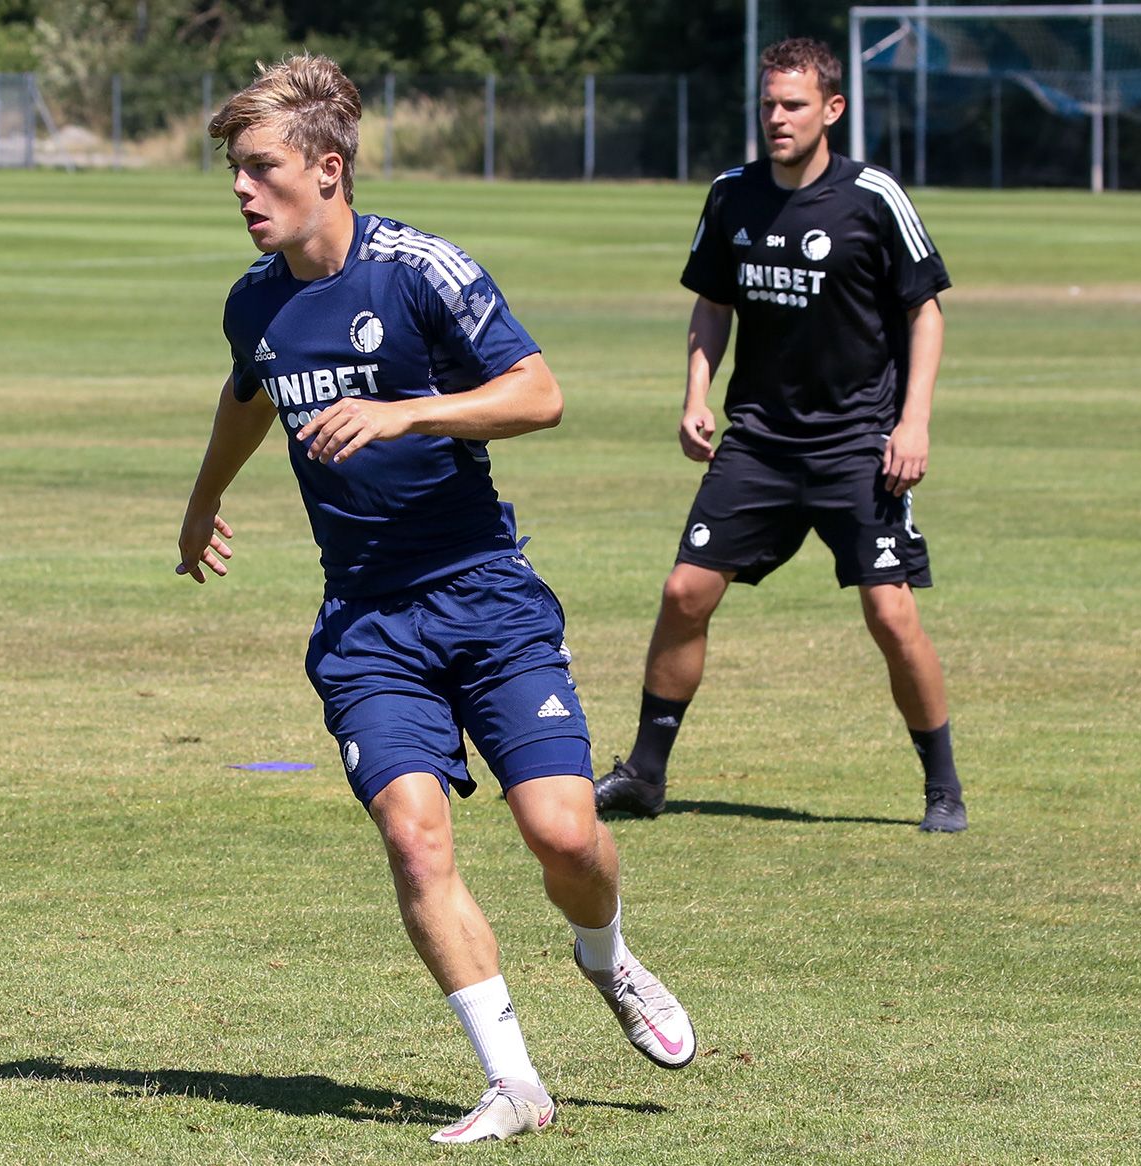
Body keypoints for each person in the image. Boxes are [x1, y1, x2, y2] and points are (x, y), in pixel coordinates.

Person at [176, 55, 696, 1145]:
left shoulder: (419, 269)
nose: (241, 189)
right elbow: (249, 392)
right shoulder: (256, 302)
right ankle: (513, 1079)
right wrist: (203, 500)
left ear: (327, 168)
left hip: (484, 598)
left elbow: (540, 393)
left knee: (563, 833)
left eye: (260, 168)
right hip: (365, 622)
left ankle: (605, 953)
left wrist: (406, 414)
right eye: (234, 170)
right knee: (415, 841)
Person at [593, 38, 966, 833]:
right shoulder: (733, 195)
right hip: (759, 440)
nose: (776, 119)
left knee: (890, 614)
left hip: (858, 443)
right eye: (768, 104)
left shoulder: (872, 198)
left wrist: (914, 422)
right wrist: (697, 395)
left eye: (792, 105)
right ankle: (646, 775)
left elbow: (923, 310)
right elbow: (712, 303)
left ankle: (943, 789)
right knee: (683, 592)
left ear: (831, 109)